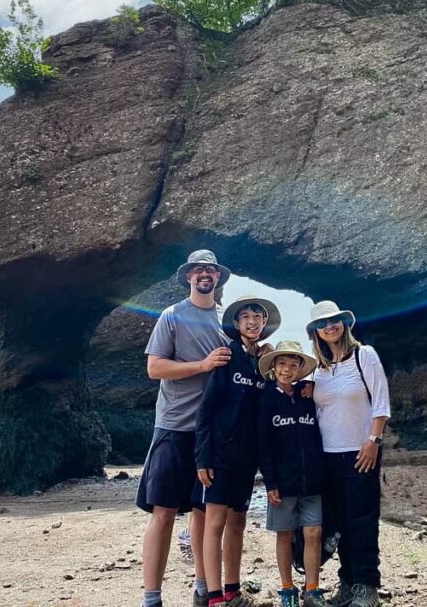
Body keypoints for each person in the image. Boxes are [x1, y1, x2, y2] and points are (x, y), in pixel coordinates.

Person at [136, 249, 233, 607]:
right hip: (174, 426)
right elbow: (155, 368)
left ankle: (202, 589)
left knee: (202, 511)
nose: (204, 274)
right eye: (198, 270)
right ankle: (152, 597)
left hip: (211, 432)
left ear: (218, 277)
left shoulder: (227, 320)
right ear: (189, 276)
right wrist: (202, 365)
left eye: (210, 269)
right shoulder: (172, 315)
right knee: (163, 512)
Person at [195, 295, 280, 607]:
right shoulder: (226, 357)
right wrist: (202, 457)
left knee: (238, 522)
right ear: (236, 324)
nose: (252, 321)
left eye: (257, 317)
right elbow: (206, 410)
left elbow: (279, 393)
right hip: (219, 454)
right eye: (246, 316)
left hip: (247, 458)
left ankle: (233, 589)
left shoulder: (263, 364)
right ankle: (214, 596)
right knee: (214, 521)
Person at [308, 301, 390, 607]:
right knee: (339, 522)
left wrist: (373, 441)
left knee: (362, 519)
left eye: (334, 320)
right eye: (322, 323)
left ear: (344, 323)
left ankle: (367, 587)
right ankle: (347, 583)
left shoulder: (364, 356)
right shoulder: (319, 370)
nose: (330, 326)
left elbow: (381, 402)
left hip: (361, 451)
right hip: (328, 455)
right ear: (316, 331)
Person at [257, 341, 327, 607]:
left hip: (312, 480)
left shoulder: (309, 396)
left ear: (300, 369)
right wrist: (270, 481)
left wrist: (316, 387)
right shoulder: (265, 399)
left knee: (314, 533)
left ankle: (312, 589)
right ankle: (287, 589)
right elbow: (263, 444)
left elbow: (332, 394)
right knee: (284, 534)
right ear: (273, 367)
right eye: (282, 364)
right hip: (282, 482)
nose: (287, 369)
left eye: (293, 365)